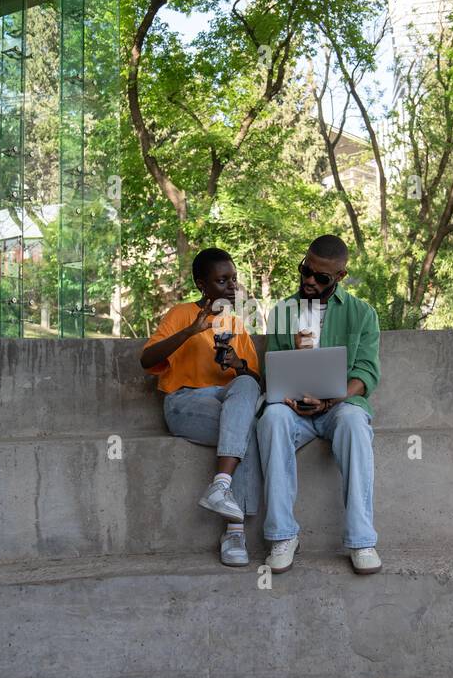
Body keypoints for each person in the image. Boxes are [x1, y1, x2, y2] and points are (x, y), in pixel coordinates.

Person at [257, 234, 381, 575]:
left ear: (340, 277)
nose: (309, 280)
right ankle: (283, 536)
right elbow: (274, 372)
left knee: (356, 423)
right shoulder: (283, 311)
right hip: (293, 409)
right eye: (305, 270)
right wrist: (295, 358)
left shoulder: (362, 314)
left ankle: (361, 539)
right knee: (271, 419)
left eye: (321, 277)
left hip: (338, 408)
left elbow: (366, 375)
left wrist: (330, 399)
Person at [140, 248, 263, 566]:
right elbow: (146, 360)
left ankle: (220, 488)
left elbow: (253, 383)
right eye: (222, 281)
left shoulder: (236, 323)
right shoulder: (180, 314)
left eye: (234, 279)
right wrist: (191, 332)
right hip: (185, 404)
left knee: (246, 396)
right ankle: (235, 531)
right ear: (201, 285)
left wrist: (238, 365)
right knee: (247, 429)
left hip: (227, 403)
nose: (231, 287)